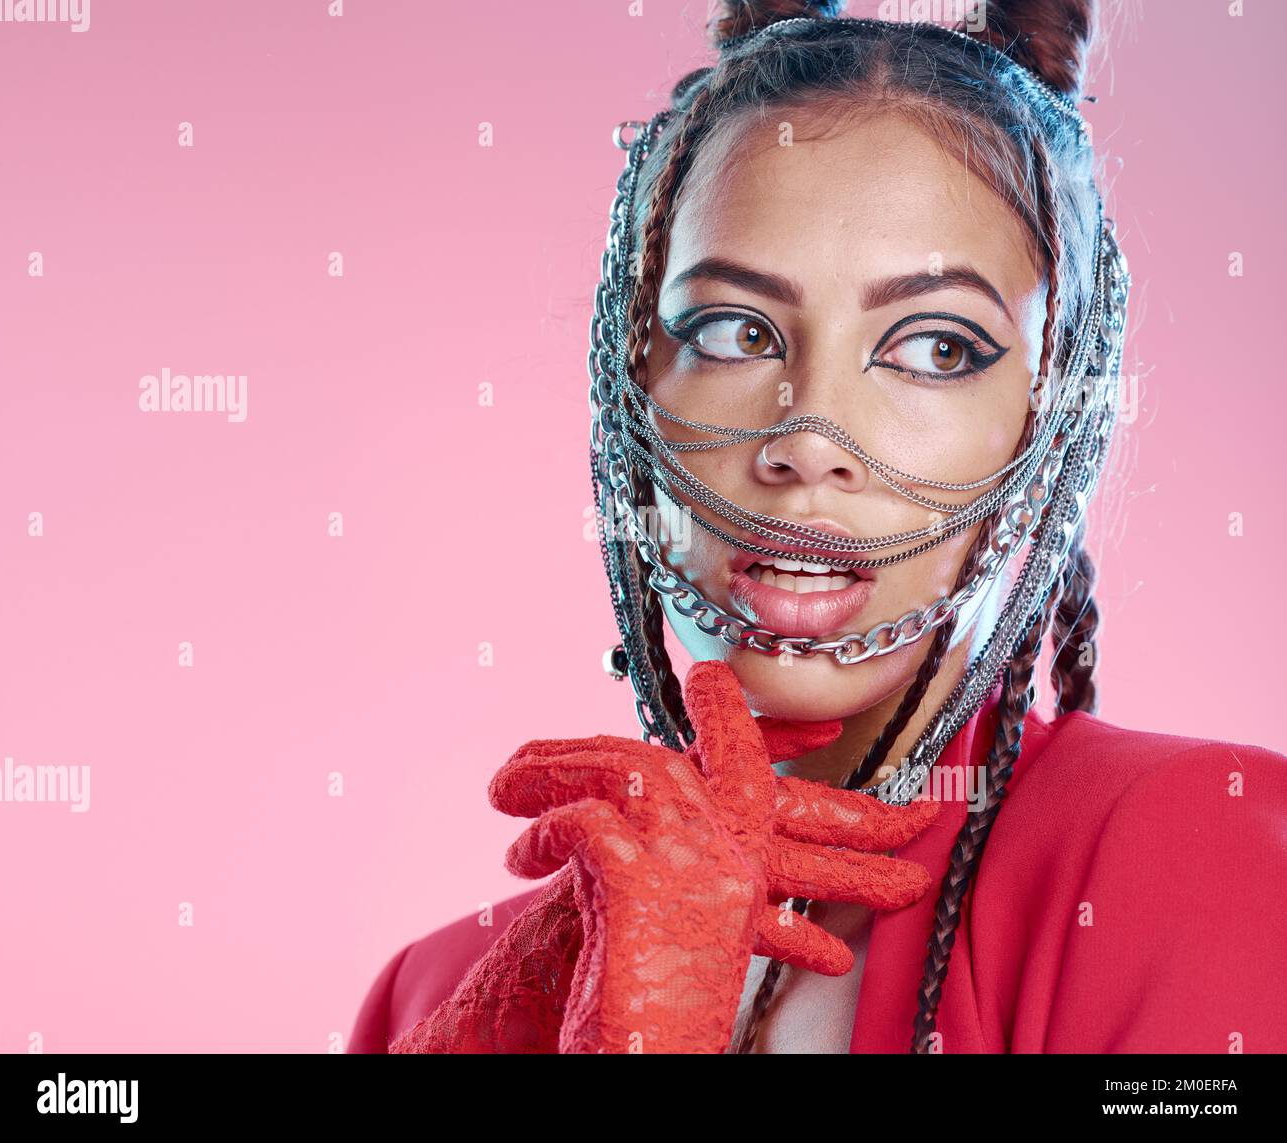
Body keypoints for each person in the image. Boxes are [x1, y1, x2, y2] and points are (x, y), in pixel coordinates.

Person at [348, 0, 1287, 1054]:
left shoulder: (1184, 852)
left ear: (1046, 415)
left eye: (935, 348)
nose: (809, 435)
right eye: (736, 331)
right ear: (631, 383)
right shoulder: (435, 998)